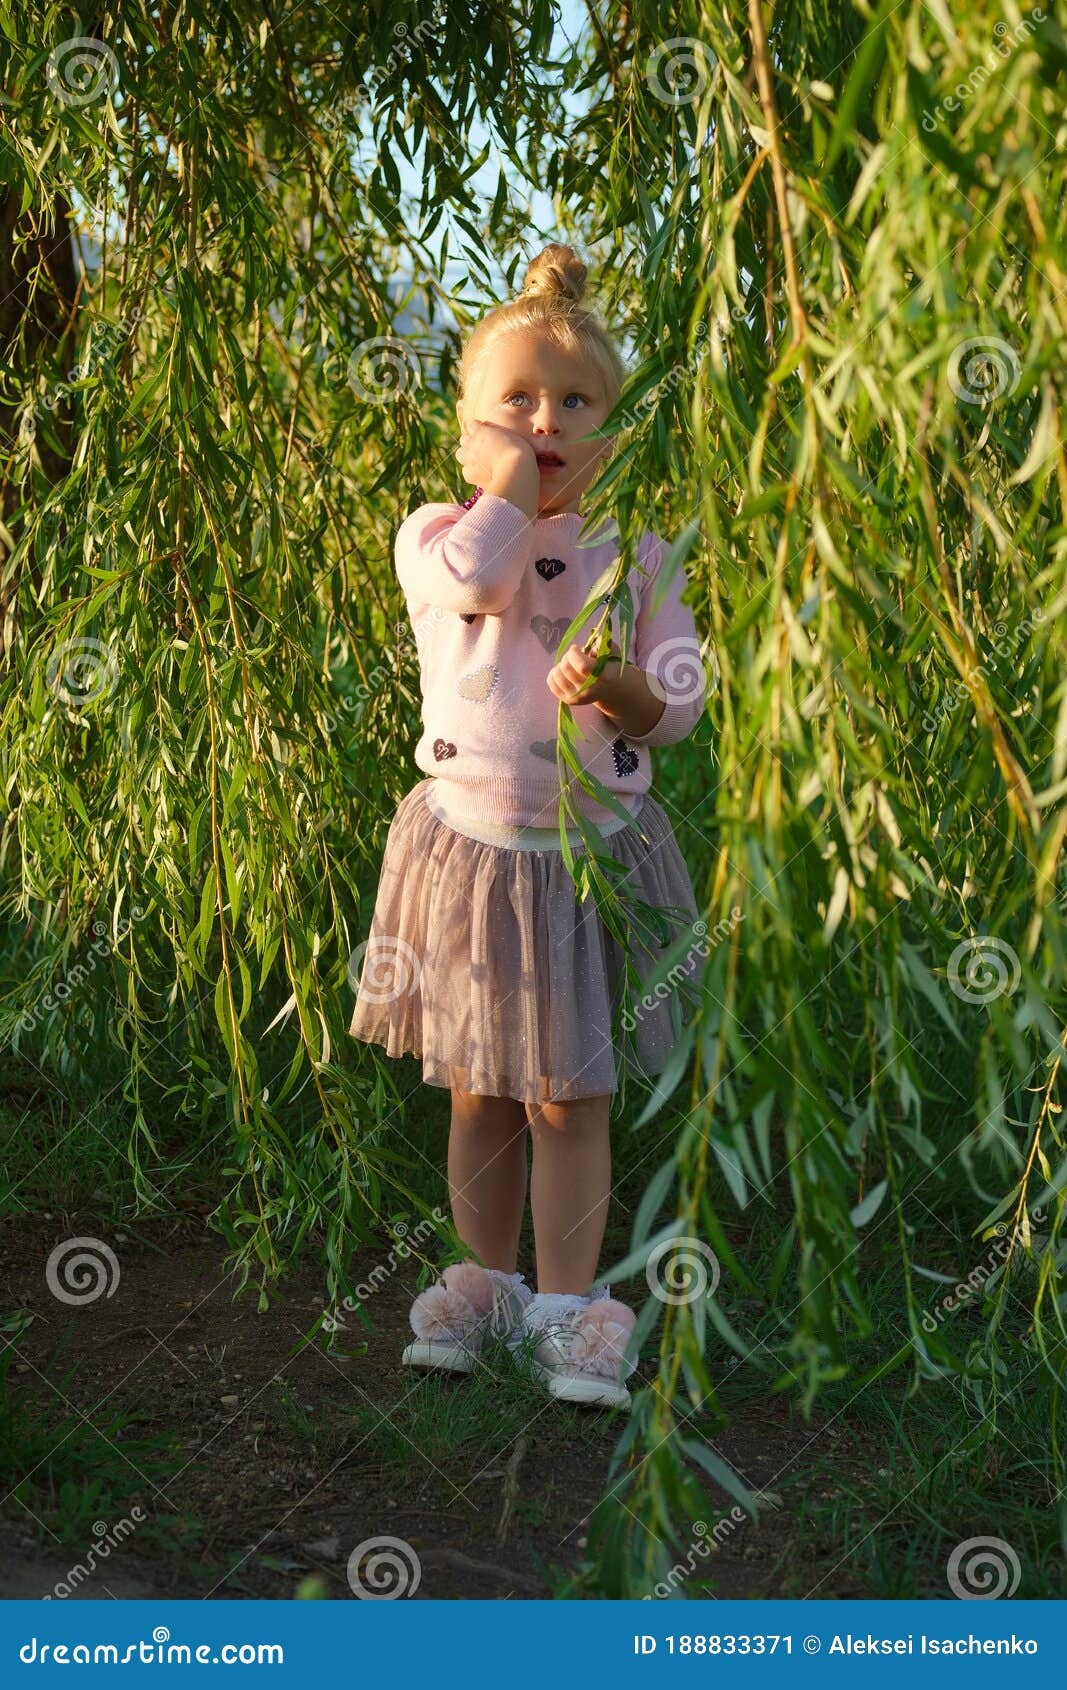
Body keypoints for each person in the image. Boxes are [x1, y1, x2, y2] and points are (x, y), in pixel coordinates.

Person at [348, 243, 708, 1409]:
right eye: (515, 399)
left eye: (573, 401)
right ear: (465, 424)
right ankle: (483, 1283)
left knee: (567, 1096)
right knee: (478, 1089)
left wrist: (618, 690)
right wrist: (501, 488)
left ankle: (566, 1306)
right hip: (472, 858)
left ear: (611, 431)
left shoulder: (639, 557)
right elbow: (473, 581)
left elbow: (679, 705)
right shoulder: (436, 533)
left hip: (588, 866)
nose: (543, 418)